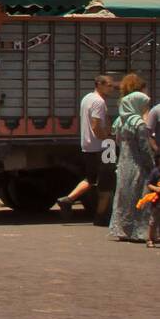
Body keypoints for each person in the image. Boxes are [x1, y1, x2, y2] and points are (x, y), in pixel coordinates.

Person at [58, 74, 115, 220]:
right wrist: (108, 139)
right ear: (99, 84)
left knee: (91, 179)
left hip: (88, 145)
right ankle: (102, 216)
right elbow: (96, 125)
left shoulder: (87, 98)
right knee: (106, 183)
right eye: (109, 85)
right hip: (100, 147)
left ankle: (68, 199)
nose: (112, 88)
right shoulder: (98, 102)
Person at [108, 89, 153, 243]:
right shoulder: (138, 123)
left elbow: (118, 141)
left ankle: (122, 230)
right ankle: (139, 232)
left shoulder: (120, 121)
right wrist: (152, 165)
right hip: (138, 164)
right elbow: (144, 147)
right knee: (140, 197)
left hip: (123, 163)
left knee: (124, 196)